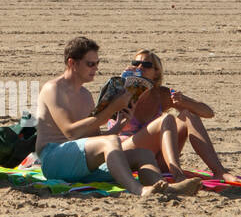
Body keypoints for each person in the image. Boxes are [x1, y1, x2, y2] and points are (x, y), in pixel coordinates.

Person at [35, 37, 200, 196]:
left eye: (97, 63)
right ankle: (139, 190)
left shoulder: (85, 95)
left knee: (144, 154)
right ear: (72, 63)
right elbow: (70, 133)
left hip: (80, 163)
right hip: (55, 159)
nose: (96, 68)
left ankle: (167, 189)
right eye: (90, 64)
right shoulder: (54, 89)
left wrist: (119, 125)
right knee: (111, 141)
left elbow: (93, 139)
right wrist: (111, 109)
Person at [114, 50, 229, 181]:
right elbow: (100, 117)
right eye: (136, 63)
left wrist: (185, 102)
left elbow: (208, 113)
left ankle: (220, 172)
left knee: (189, 115)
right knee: (167, 119)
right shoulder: (121, 90)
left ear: (156, 72)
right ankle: (177, 173)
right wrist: (121, 84)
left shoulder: (162, 94)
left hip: (155, 160)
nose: (140, 68)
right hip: (126, 155)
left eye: (146, 65)